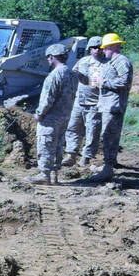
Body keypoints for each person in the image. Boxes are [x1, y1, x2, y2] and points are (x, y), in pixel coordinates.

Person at [30, 43, 77, 185]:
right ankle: (54, 176)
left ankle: (44, 175)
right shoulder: (72, 74)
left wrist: (39, 113)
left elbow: (47, 99)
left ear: (51, 57)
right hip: (65, 117)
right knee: (58, 145)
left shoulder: (54, 76)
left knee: (45, 144)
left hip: (51, 117)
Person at [90, 32, 134, 182]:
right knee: (108, 135)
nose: (103, 51)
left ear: (115, 46)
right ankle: (109, 164)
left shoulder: (121, 61)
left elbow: (125, 82)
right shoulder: (111, 63)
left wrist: (104, 83)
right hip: (108, 105)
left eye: (106, 48)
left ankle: (108, 168)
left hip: (114, 106)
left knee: (109, 136)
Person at [62, 36, 105, 169]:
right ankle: (71, 154)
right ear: (89, 49)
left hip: (94, 103)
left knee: (92, 131)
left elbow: (102, 84)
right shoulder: (83, 61)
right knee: (73, 128)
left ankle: (86, 158)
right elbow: (73, 74)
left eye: (99, 47)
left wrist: (85, 79)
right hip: (79, 101)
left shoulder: (107, 64)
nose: (96, 50)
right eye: (93, 47)